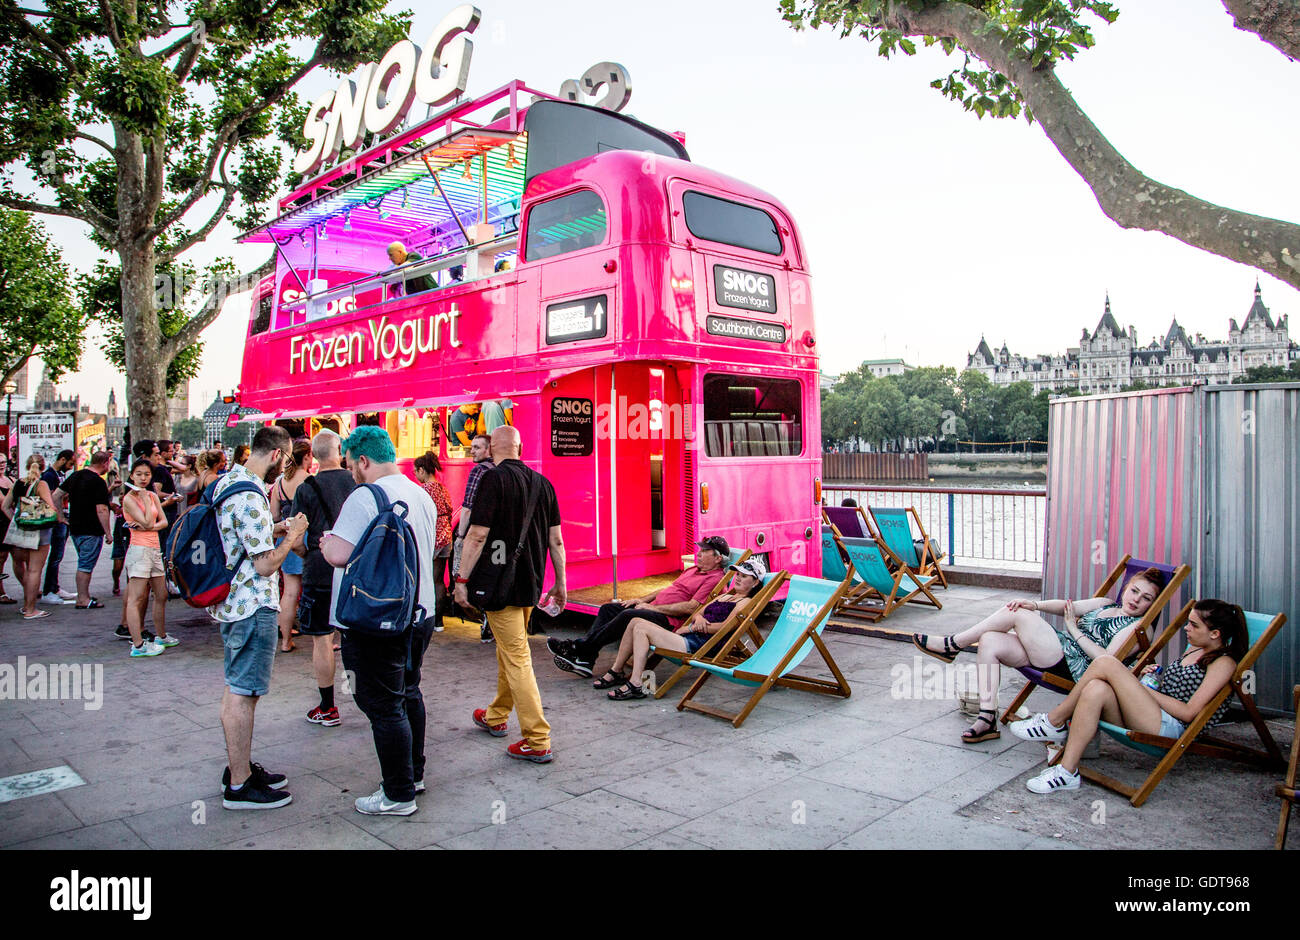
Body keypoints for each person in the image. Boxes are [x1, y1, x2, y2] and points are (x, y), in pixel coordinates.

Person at [1011, 598, 1248, 794]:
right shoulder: (1196, 648)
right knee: (1096, 688)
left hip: (1171, 728)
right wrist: (1149, 680)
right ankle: (1067, 772)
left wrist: (1139, 688)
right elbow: (1175, 690)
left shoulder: (1223, 663)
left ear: (1215, 634)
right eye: (1188, 623)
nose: (1186, 628)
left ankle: (1054, 720)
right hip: (1153, 715)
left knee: (1106, 663)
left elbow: (1189, 712)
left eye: (1194, 625)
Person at [321, 425, 438, 815]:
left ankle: (398, 793)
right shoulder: (420, 494)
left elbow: (339, 554)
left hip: (379, 619)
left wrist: (324, 542)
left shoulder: (366, 496)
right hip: (420, 613)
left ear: (363, 460)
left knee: (382, 704)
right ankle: (413, 774)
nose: (351, 471)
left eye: (351, 463)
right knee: (409, 692)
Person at [913, 567, 1168, 744]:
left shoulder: (1139, 627)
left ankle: (952, 644)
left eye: (1146, 598)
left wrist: (1072, 629)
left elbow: (1107, 660)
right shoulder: (1106, 603)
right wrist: (1035, 604)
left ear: (1153, 605)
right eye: (1134, 591)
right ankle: (987, 717)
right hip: (1059, 650)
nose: (1136, 600)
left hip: (1078, 668)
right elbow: (1068, 607)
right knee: (990, 640)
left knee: (1016, 614)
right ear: (1127, 588)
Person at [455, 426, 565, 764]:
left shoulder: (492, 479)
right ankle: (495, 715)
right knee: (510, 649)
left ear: (492, 450)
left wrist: (461, 579)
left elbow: (477, 535)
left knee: (516, 656)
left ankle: (537, 738)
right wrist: (561, 583)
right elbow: (556, 541)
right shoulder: (543, 485)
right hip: (530, 582)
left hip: (497, 584)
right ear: (521, 447)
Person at [211, 425, 308, 810]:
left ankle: (240, 767)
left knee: (235, 687)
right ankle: (239, 784)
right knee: (243, 692)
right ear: (277, 456)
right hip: (251, 605)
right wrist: (292, 535)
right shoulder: (251, 496)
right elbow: (266, 564)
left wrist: (277, 526)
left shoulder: (228, 481)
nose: (280, 470)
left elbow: (244, 536)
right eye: (283, 462)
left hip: (233, 604)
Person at [548, 535, 731, 679]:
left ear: (718, 558)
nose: (698, 553)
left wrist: (654, 609)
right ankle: (586, 659)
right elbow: (669, 589)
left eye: (705, 551)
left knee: (628, 616)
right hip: (655, 609)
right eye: (700, 550)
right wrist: (640, 599)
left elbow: (691, 608)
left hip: (669, 620)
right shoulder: (694, 569)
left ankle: (580, 650)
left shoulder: (714, 579)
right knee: (608, 609)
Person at [596, 558, 766, 700]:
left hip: (700, 645)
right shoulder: (725, 596)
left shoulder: (746, 603)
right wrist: (698, 620)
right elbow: (697, 613)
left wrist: (692, 629)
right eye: (738, 574)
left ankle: (636, 683)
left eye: (744, 576)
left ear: (755, 582)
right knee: (635, 621)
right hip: (692, 637)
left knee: (641, 628)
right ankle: (617, 671)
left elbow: (724, 628)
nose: (738, 578)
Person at [290, 429, 355, 727]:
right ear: (339, 450)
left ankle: (328, 707)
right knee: (357, 637)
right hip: (354, 568)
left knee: (322, 640)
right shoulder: (356, 481)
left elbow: (295, 537)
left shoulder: (306, 488)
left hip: (319, 570)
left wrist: (307, 554)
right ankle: (372, 701)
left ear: (313, 455)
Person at [120, 458, 177, 656]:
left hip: (154, 548)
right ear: (131, 475)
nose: (143, 478)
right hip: (139, 550)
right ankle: (137, 644)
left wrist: (148, 525)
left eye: (147, 474)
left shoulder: (153, 495)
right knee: (136, 598)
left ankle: (161, 635)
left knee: (161, 594)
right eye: (139, 474)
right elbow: (145, 520)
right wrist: (144, 500)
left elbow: (162, 522)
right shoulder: (129, 498)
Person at [54, 450, 114, 609]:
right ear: (105, 463)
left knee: (84, 561)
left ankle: (84, 595)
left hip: (75, 526)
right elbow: (102, 509)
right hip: (92, 528)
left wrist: (60, 515)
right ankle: (82, 598)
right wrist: (108, 532)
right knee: (85, 565)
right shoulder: (98, 482)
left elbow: (56, 495)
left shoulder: (75, 476)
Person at [2, 455, 58, 619]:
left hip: (22, 530)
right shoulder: (41, 484)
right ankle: (30, 609)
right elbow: (51, 508)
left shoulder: (18, 483)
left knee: (26, 569)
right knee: (35, 570)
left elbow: (5, 506)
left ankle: (27, 605)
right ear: (42, 466)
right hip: (40, 532)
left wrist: (17, 520)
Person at [452, 433, 493, 642]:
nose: (473, 451)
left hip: (477, 531)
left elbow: (467, 506)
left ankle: (485, 621)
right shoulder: (499, 470)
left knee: (468, 577)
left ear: (488, 449)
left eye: (477, 447)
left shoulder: (478, 471)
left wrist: (460, 536)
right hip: (496, 535)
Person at [271, 438, 310, 653]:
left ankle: (286, 641)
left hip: (284, 538)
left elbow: (274, 515)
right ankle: (322, 639)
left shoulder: (279, 483)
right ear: (306, 457)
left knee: (289, 592)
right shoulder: (310, 480)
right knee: (312, 589)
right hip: (304, 538)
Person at [412, 451, 453, 632]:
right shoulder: (442, 488)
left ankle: (429, 618)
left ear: (422, 469)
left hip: (432, 537)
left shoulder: (425, 490)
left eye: (415, 471)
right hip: (446, 536)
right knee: (438, 580)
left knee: (427, 579)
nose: (415, 475)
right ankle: (439, 621)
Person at [39, 449, 76, 605]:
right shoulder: (49, 476)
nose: (70, 467)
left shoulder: (58, 475)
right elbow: (53, 497)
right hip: (57, 520)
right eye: (70, 463)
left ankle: (54, 587)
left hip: (62, 518)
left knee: (58, 556)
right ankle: (49, 590)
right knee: (55, 556)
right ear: (62, 459)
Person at [0, 451, 14, 605]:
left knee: (19, 557)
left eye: (3, 462)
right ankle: (1, 592)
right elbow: (5, 503)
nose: (1, 465)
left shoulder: (10, 479)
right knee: (1, 558)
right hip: (2, 523)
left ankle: (29, 587)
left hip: (9, 522)